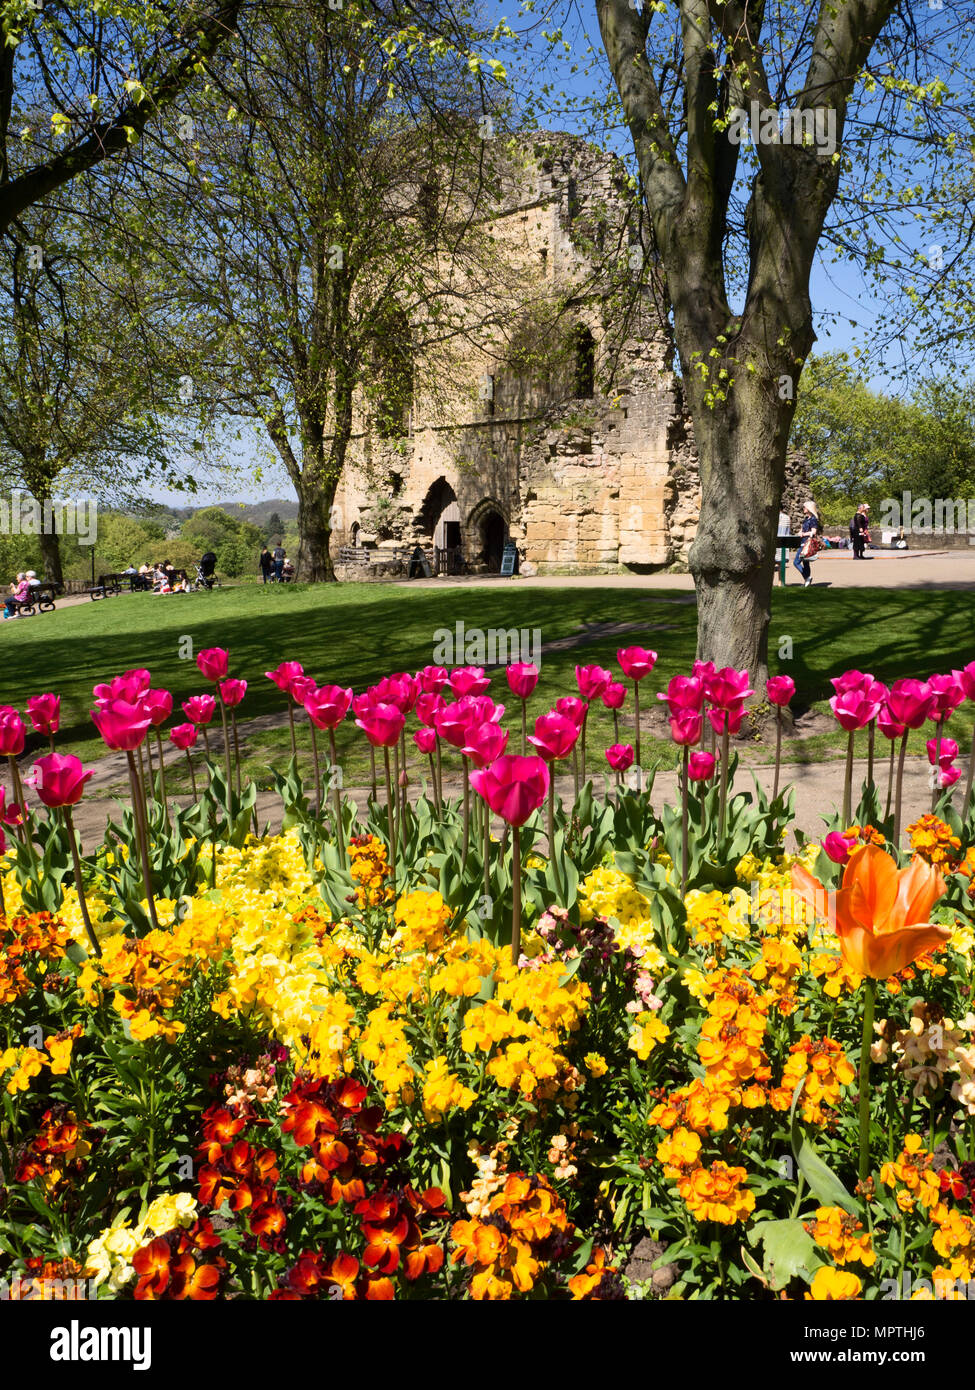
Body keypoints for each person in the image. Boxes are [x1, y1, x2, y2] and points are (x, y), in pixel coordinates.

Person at [793, 501, 822, 586]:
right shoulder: (806, 519)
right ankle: (807, 582)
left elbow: (813, 532)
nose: (803, 509)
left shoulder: (813, 519)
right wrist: (799, 533)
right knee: (805, 563)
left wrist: (803, 534)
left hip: (807, 544)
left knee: (796, 562)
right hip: (803, 543)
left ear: (809, 508)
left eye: (805, 507)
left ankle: (807, 578)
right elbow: (802, 530)